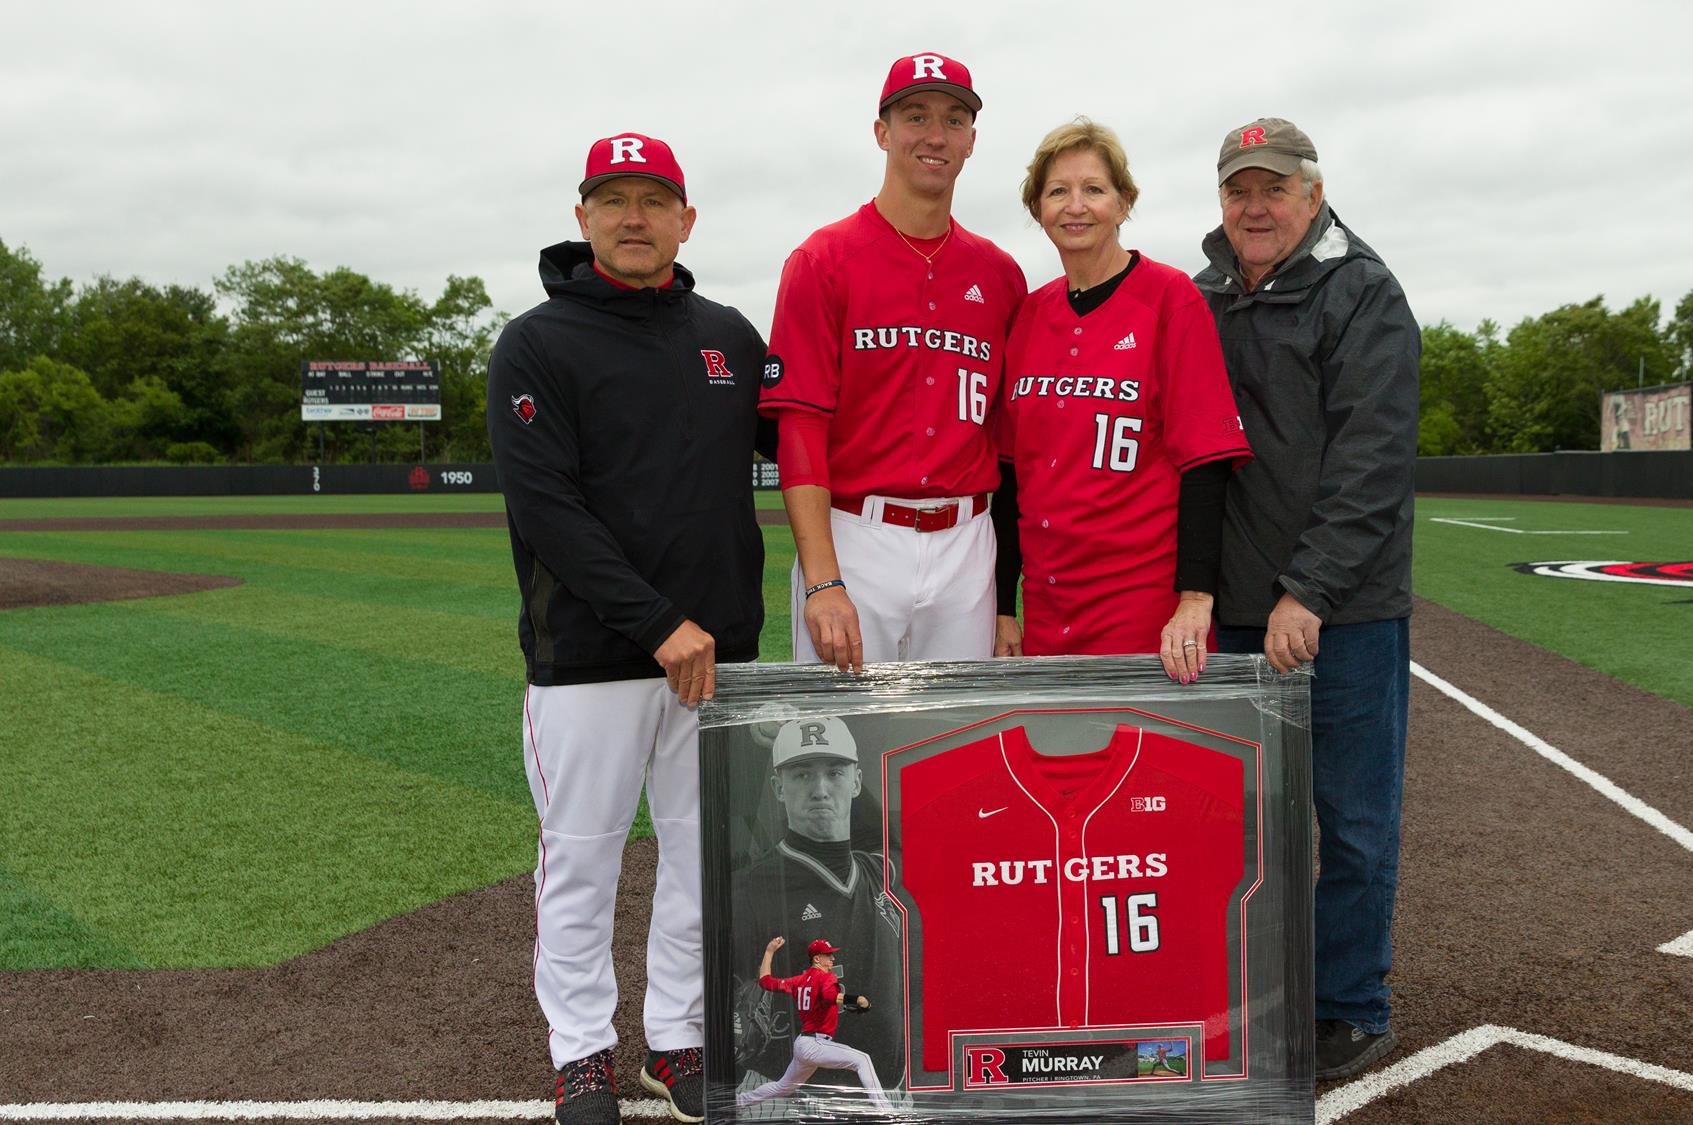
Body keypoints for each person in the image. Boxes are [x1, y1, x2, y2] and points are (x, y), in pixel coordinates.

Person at [487, 132, 775, 1125]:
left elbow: (818, 434)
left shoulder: (730, 337)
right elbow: (548, 511)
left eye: (654, 199)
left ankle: (678, 1036)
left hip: (715, 659)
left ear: (686, 219)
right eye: (612, 200)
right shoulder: (535, 342)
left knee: (702, 860)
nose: (634, 216)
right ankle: (580, 1052)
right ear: (582, 219)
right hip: (590, 660)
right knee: (581, 857)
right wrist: (658, 623)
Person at [1191, 117, 1420, 1083]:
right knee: (1235, 825)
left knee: (1353, 824)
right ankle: (1248, 993)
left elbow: (1369, 464)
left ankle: (1349, 1004)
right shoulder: (1198, 295)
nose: (1256, 205)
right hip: (1233, 609)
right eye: (1240, 188)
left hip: (1345, 612)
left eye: (1274, 188)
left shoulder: (1362, 291)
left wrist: (1308, 590)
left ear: (1312, 195)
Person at [762, 52, 1027, 672]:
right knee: (837, 746)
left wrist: (1009, 591)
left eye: (954, 119)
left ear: (971, 142)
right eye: (916, 116)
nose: (935, 135)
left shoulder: (1001, 275)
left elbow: (1008, 438)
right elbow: (799, 425)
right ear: (882, 132)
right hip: (857, 535)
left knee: (956, 745)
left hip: (968, 539)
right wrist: (824, 580)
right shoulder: (822, 260)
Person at [991, 118, 1250, 678]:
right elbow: (1010, 476)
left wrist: (1195, 600)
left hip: (1140, 608)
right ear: (1038, 208)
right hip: (1045, 606)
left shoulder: (1170, 298)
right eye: (1057, 191)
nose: (1075, 206)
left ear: (1123, 202)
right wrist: (1000, 604)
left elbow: (1206, 462)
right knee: (1051, 756)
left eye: (1094, 189)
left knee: (1137, 759)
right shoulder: (1029, 316)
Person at [730, 717, 902, 1096]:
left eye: (835, 773)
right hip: (790, 1098)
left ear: (857, 782)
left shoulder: (877, 869)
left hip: (888, 1093)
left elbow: (894, 839)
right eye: (802, 775)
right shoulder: (751, 888)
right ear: (778, 787)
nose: (821, 790)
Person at [737, 937, 893, 1114]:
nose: (832, 959)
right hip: (815, 1044)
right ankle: (887, 1111)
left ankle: (740, 1101)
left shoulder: (799, 980)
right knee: (862, 1059)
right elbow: (829, 996)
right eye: (828, 955)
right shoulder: (825, 977)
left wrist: (769, 951)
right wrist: (856, 999)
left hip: (803, 1044)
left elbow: (765, 981)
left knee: (784, 1087)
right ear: (817, 959)